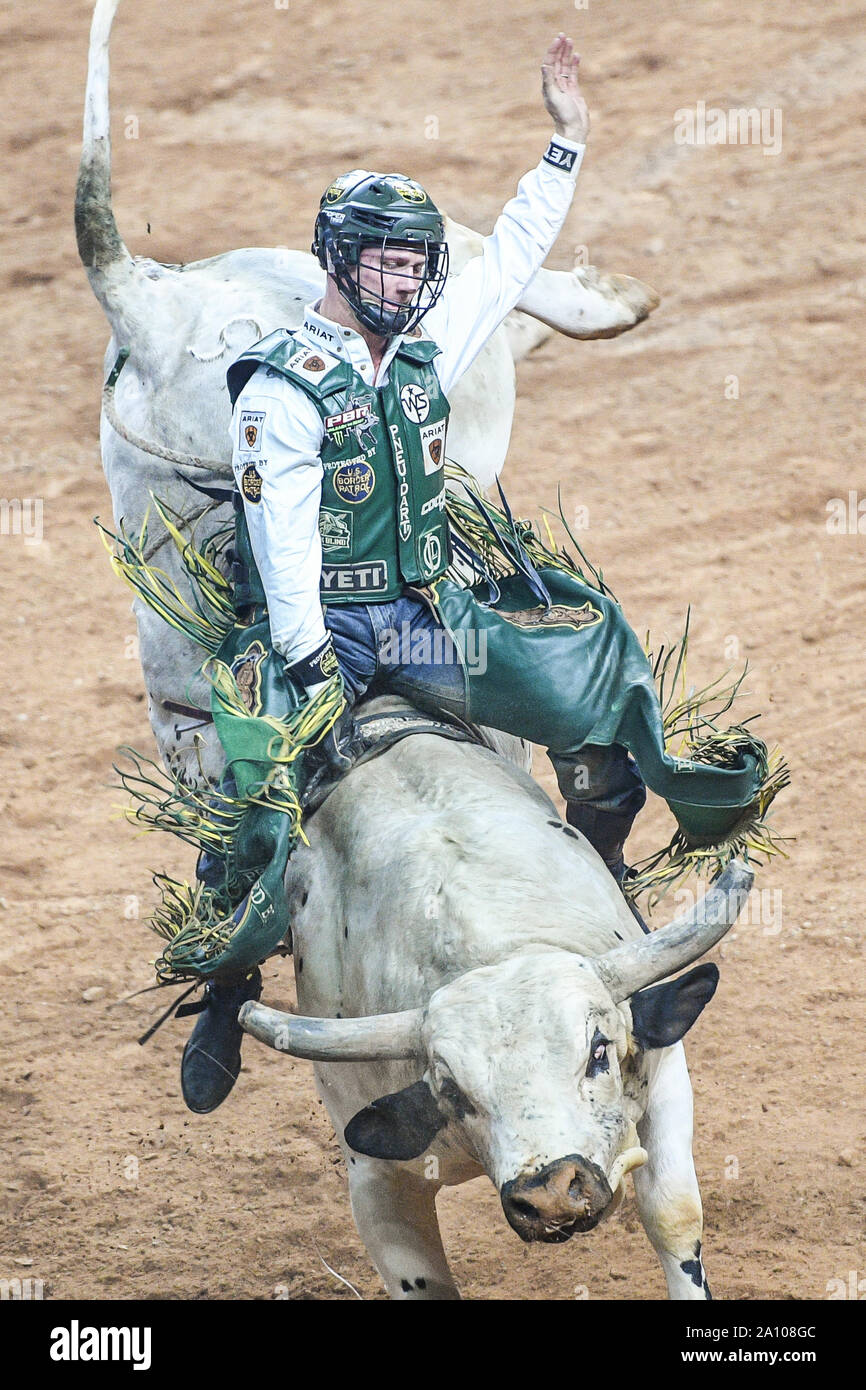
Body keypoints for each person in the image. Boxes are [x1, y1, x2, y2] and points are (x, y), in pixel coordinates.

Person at [178, 35, 692, 1111]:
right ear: (339, 262)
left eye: (416, 262)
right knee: (254, 812)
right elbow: (285, 543)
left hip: (421, 615)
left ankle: (604, 862)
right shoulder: (282, 390)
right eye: (387, 262)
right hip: (317, 632)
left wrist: (564, 143)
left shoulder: (420, 347)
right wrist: (309, 662)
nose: (407, 278)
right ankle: (226, 983)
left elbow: (506, 260)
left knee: (589, 688)